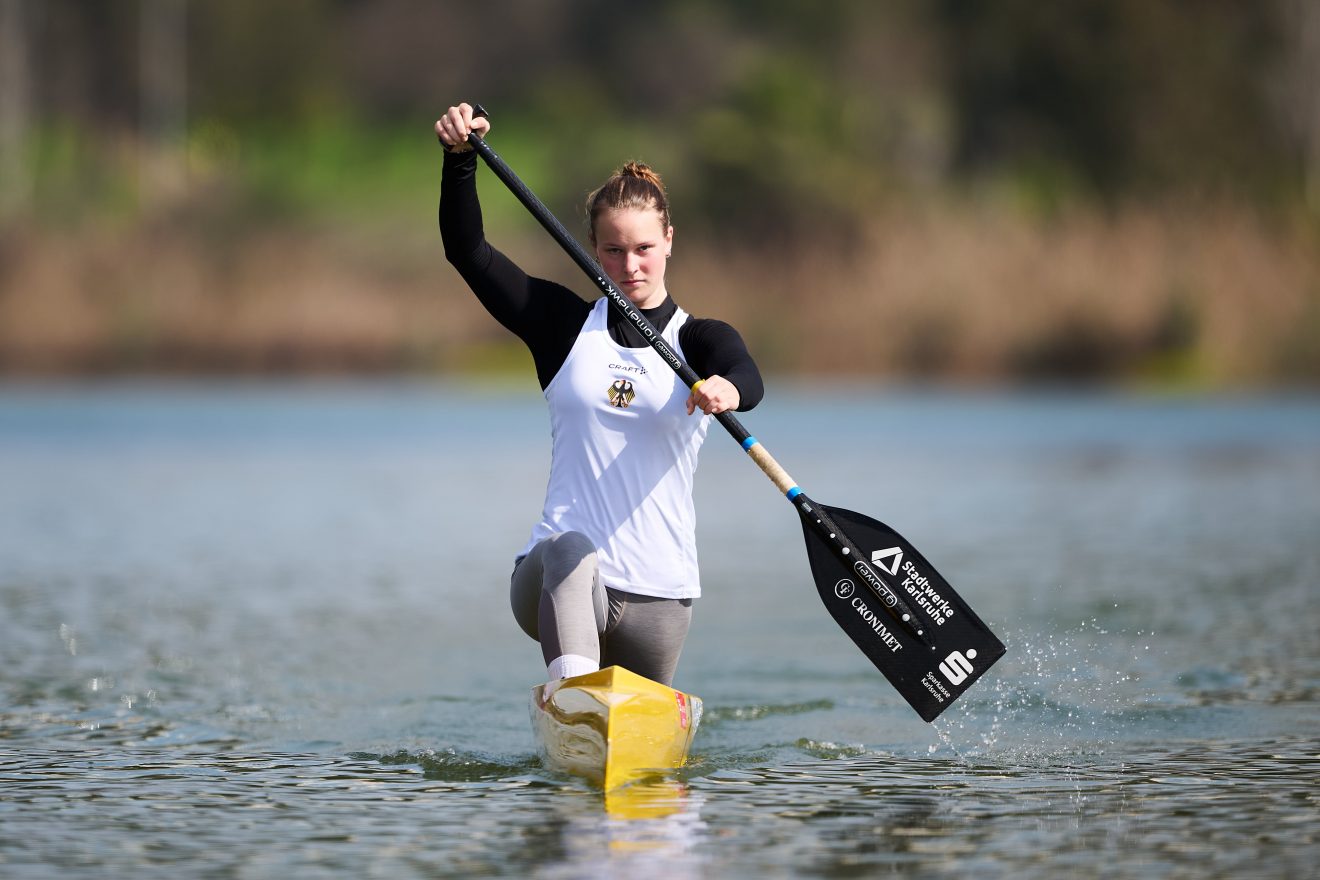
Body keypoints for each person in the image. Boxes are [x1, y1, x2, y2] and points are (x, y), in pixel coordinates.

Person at [436, 103, 764, 689]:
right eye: (613, 251)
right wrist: (459, 162)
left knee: (644, 753)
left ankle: (598, 719)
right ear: (592, 248)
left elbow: (748, 375)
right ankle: (572, 700)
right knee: (572, 548)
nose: (629, 265)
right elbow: (469, 252)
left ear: (668, 241)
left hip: (660, 597)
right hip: (554, 581)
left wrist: (726, 388)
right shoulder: (562, 326)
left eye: (642, 248)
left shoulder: (700, 339)